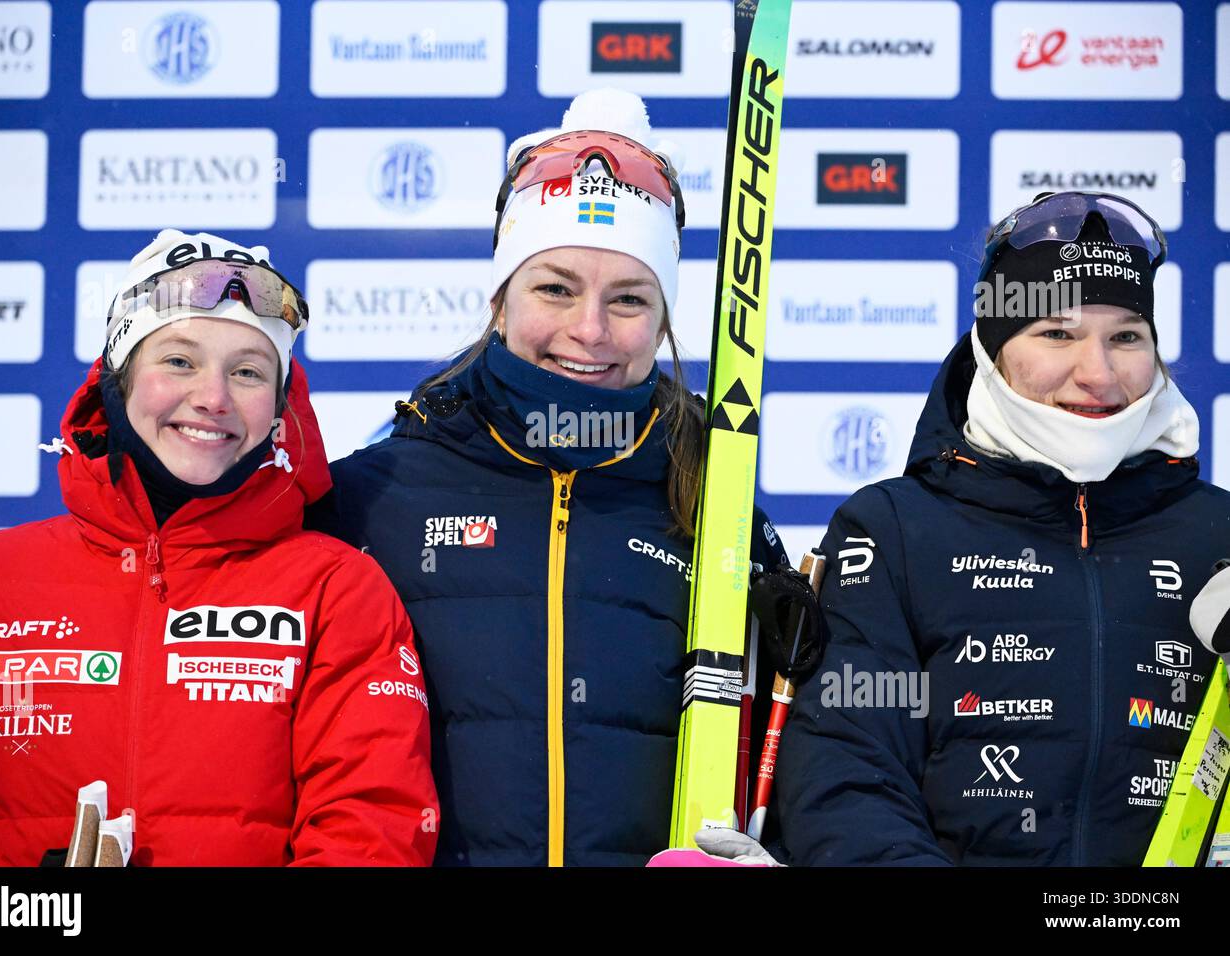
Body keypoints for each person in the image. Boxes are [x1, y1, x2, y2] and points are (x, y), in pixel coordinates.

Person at [310, 90, 786, 866]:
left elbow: (788, 764)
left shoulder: (718, 509)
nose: (589, 330)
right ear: (500, 297)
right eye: (555, 288)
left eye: (629, 299)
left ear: (663, 320)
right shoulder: (371, 502)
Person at [0, 230, 438, 866]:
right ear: (117, 379)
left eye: (248, 372)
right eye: (178, 360)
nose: (213, 398)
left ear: (281, 408)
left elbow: (372, 829)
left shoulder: (335, 586)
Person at [778, 192, 1230, 865]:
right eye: (1057, 333)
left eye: (1126, 337)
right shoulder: (893, 531)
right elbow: (850, 781)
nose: (1098, 373)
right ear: (993, 348)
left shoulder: (1216, 535)